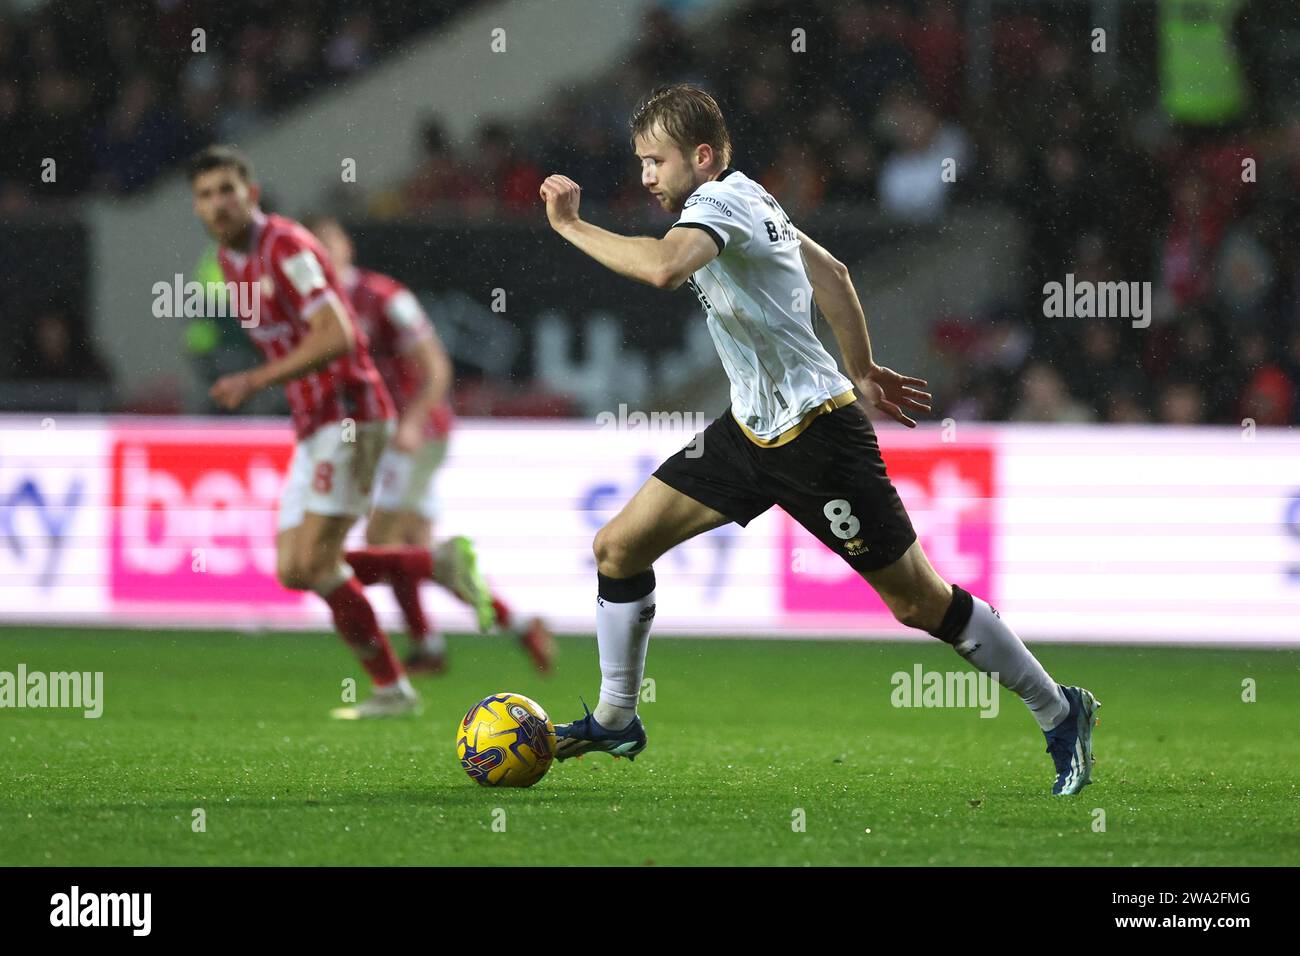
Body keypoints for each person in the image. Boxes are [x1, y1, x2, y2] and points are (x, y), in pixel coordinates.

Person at [538, 85, 1099, 795]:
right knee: (617, 547)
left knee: (918, 603)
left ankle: (1059, 709)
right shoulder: (753, 199)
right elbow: (832, 274)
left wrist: (570, 227)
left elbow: (661, 268)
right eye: (642, 162)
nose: (646, 176)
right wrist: (862, 368)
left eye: (656, 161)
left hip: (817, 440)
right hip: (750, 432)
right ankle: (619, 716)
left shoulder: (716, 205)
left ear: (702, 157)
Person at [190, 145, 494, 719]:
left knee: (315, 559)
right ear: (197, 208)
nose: (218, 203)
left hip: (351, 417)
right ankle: (434, 569)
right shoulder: (230, 261)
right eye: (205, 195)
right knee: (294, 569)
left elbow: (338, 337)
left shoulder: (288, 247)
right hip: (313, 422)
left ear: (251, 194)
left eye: (227, 190)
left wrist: (255, 379)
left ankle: (393, 685)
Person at [304, 215, 554, 674]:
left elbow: (437, 367)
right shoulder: (316, 311)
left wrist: (413, 422)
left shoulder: (385, 299)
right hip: (376, 437)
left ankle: (429, 640)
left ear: (346, 249)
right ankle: (509, 627)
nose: (320, 253)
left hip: (418, 435)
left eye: (328, 243)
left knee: (380, 543)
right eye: (311, 247)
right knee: (414, 550)